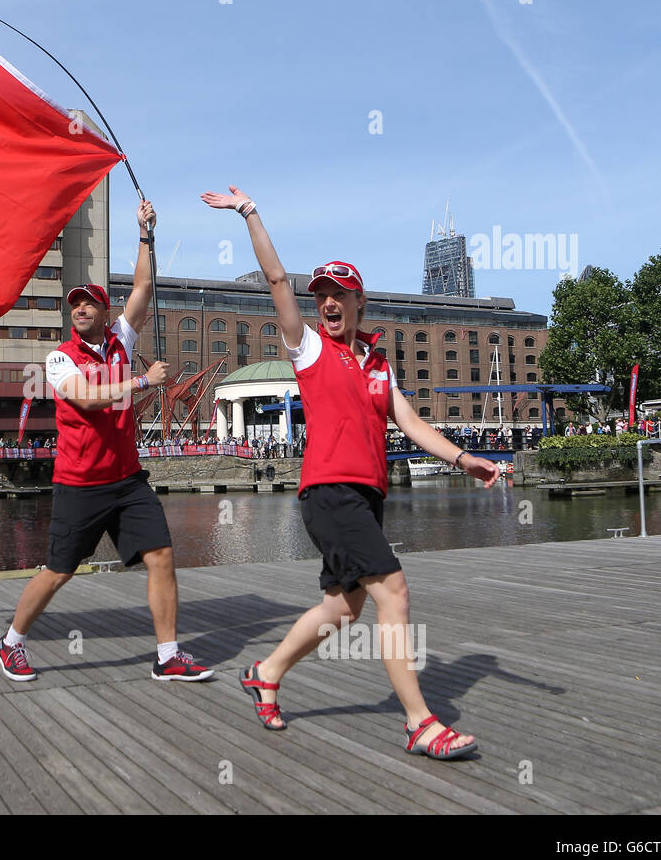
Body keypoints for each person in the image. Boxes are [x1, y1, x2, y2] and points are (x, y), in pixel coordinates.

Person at [202, 184, 499, 759]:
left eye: (339, 295)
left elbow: (411, 425)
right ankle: (418, 722)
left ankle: (266, 672)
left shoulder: (379, 366)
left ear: (360, 301)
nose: (328, 303)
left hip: (366, 496)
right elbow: (276, 283)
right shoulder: (310, 349)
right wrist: (250, 213)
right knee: (394, 591)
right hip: (329, 490)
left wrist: (465, 459)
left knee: (344, 606)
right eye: (322, 297)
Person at [0, 201, 213, 683]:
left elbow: (144, 287)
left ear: (103, 309)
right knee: (58, 570)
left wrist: (144, 234)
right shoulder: (59, 359)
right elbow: (86, 399)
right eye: (75, 303)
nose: (80, 308)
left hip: (128, 480)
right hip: (80, 484)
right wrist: (140, 383)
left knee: (161, 555)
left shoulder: (120, 341)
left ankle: (168, 655)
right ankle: (11, 643)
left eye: (88, 301)